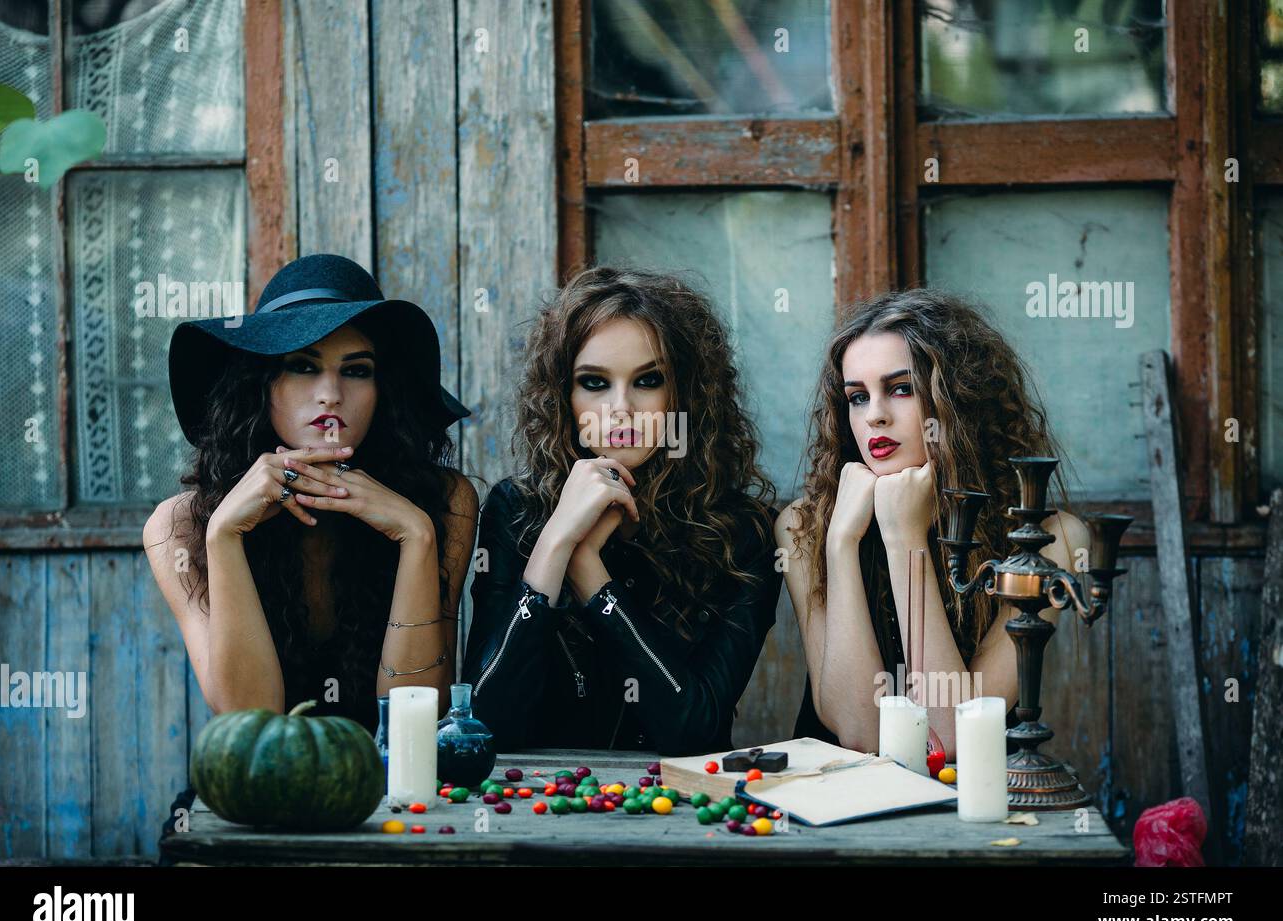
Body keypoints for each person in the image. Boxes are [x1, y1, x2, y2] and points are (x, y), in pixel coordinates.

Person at [148, 254, 476, 852]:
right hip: (255, 813)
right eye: (302, 366)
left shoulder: (444, 502)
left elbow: (417, 718)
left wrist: (415, 536)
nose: (330, 394)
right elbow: (252, 726)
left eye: (357, 369)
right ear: (260, 385)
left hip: (396, 806)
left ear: (385, 389)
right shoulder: (180, 527)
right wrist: (226, 538)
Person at [464, 266, 782, 756]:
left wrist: (587, 565)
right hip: (537, 814)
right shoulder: (516, 510)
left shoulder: (742, 532)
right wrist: (555, 543)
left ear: (686, 394)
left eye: (648, 380)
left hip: (681, 814)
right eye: (594, 382)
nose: (621, 410)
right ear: (563, 397)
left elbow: (691, 729)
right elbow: (486, 726)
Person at [777, 288, 1089, 758]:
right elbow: (859, 731)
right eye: (857, 397)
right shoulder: (804, 524)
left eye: (901, 389)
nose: (876, 415)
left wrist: (905, 538)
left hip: (968, 808)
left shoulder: (1052, 540)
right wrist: (842, 540)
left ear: (959, 402)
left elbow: (951, 735)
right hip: (834, 808)